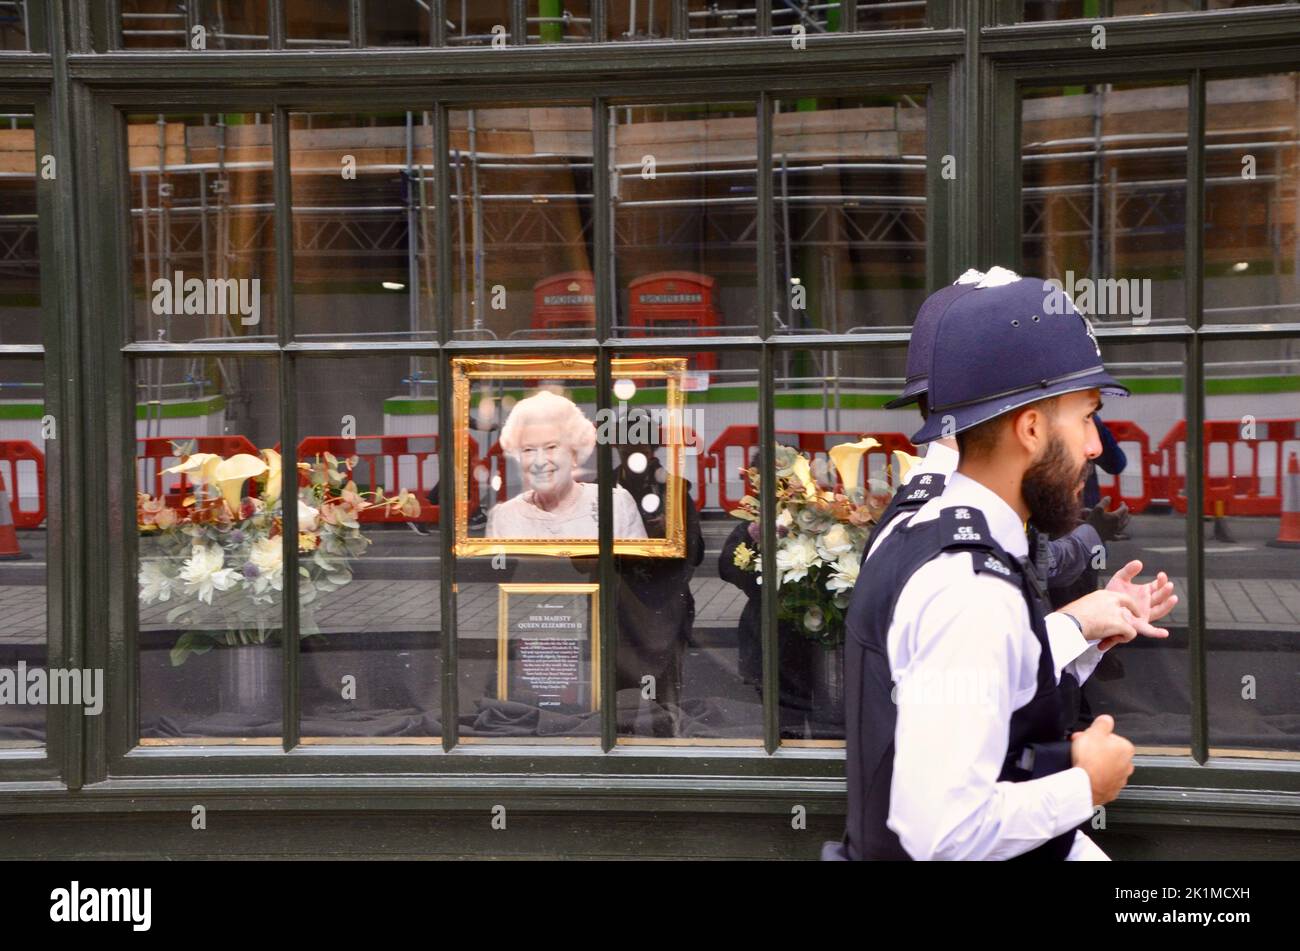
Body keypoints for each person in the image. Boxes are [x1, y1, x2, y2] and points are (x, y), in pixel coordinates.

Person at [835, 275, 1177, 861]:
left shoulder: (946, 532)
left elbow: (990, 683)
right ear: (1032, 428)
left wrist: (1088, 634)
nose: (1096, 447)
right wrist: (1086, 785)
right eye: (1087, 416)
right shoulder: (969, 585)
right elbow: (942, 832)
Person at [612, 409, 704, 711]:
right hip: (625, 606)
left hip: (658, 607)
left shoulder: (675, 488)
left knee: (661, 703)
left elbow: (695, 551)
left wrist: (671, 531)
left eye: (640, 447)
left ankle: (663, 744)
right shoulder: (603, 488)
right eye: (627, 447)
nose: (633, 454)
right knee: (622, 705)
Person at [486, 390, 646, 540]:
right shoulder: (504, 517)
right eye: (528, 449)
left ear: (574, 453)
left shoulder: (616, 506)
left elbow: (637, 569)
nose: (540, 461)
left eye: (551, 447)